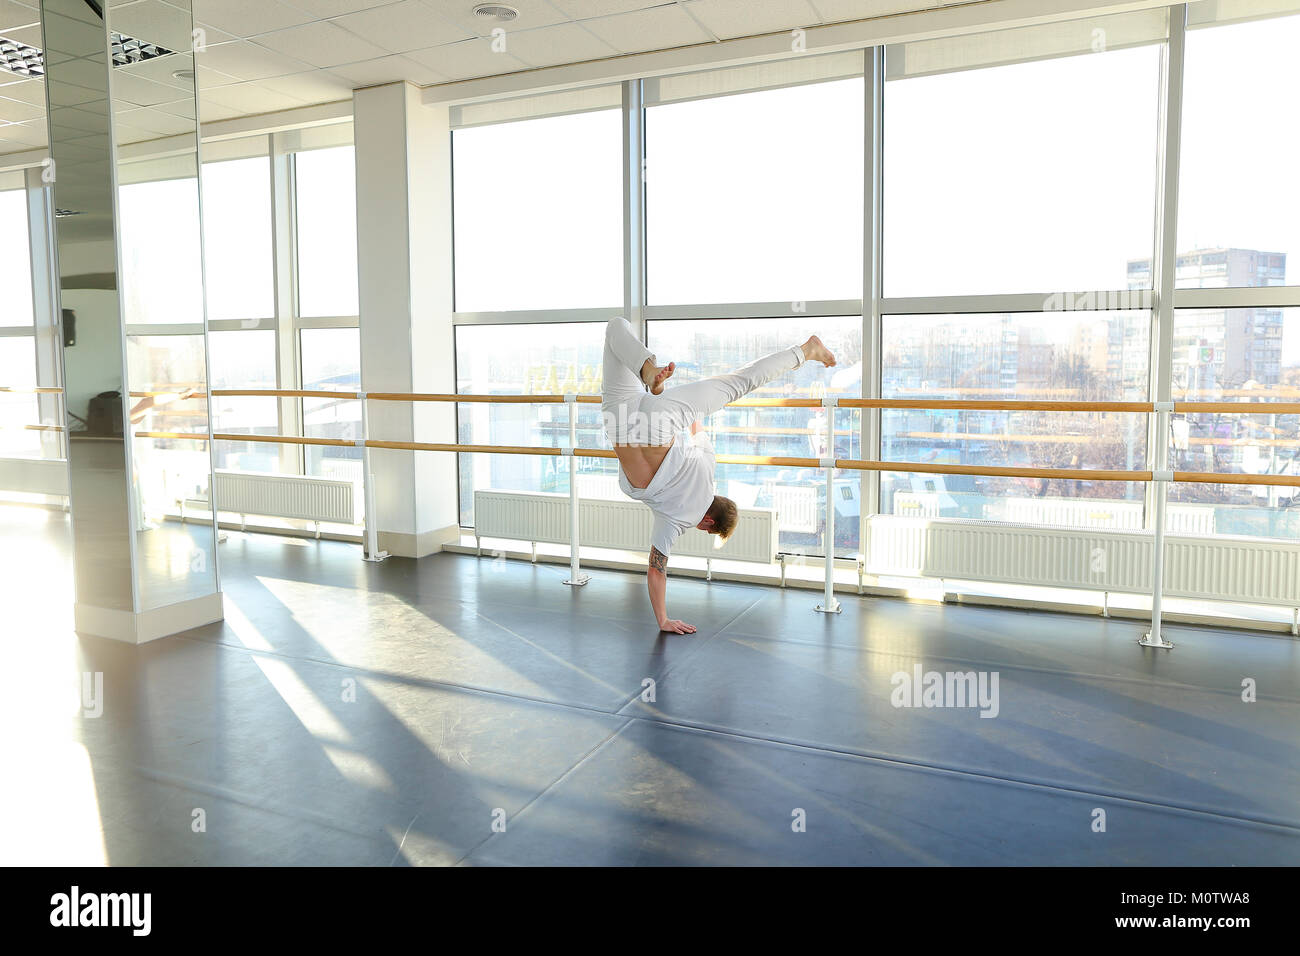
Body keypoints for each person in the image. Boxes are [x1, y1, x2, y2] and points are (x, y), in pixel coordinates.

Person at [601, 317, 836, 634]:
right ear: (708, 521)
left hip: (660, 419)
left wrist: (685, 398)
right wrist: (663, 620)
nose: (700, 528)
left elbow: (696, 424)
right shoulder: (674, 521)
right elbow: (656, 571)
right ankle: (651, 381)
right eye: (706, 530)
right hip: (620, 424)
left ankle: (805, 351)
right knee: (614, 329)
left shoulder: (707, 468)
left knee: (738, 382)